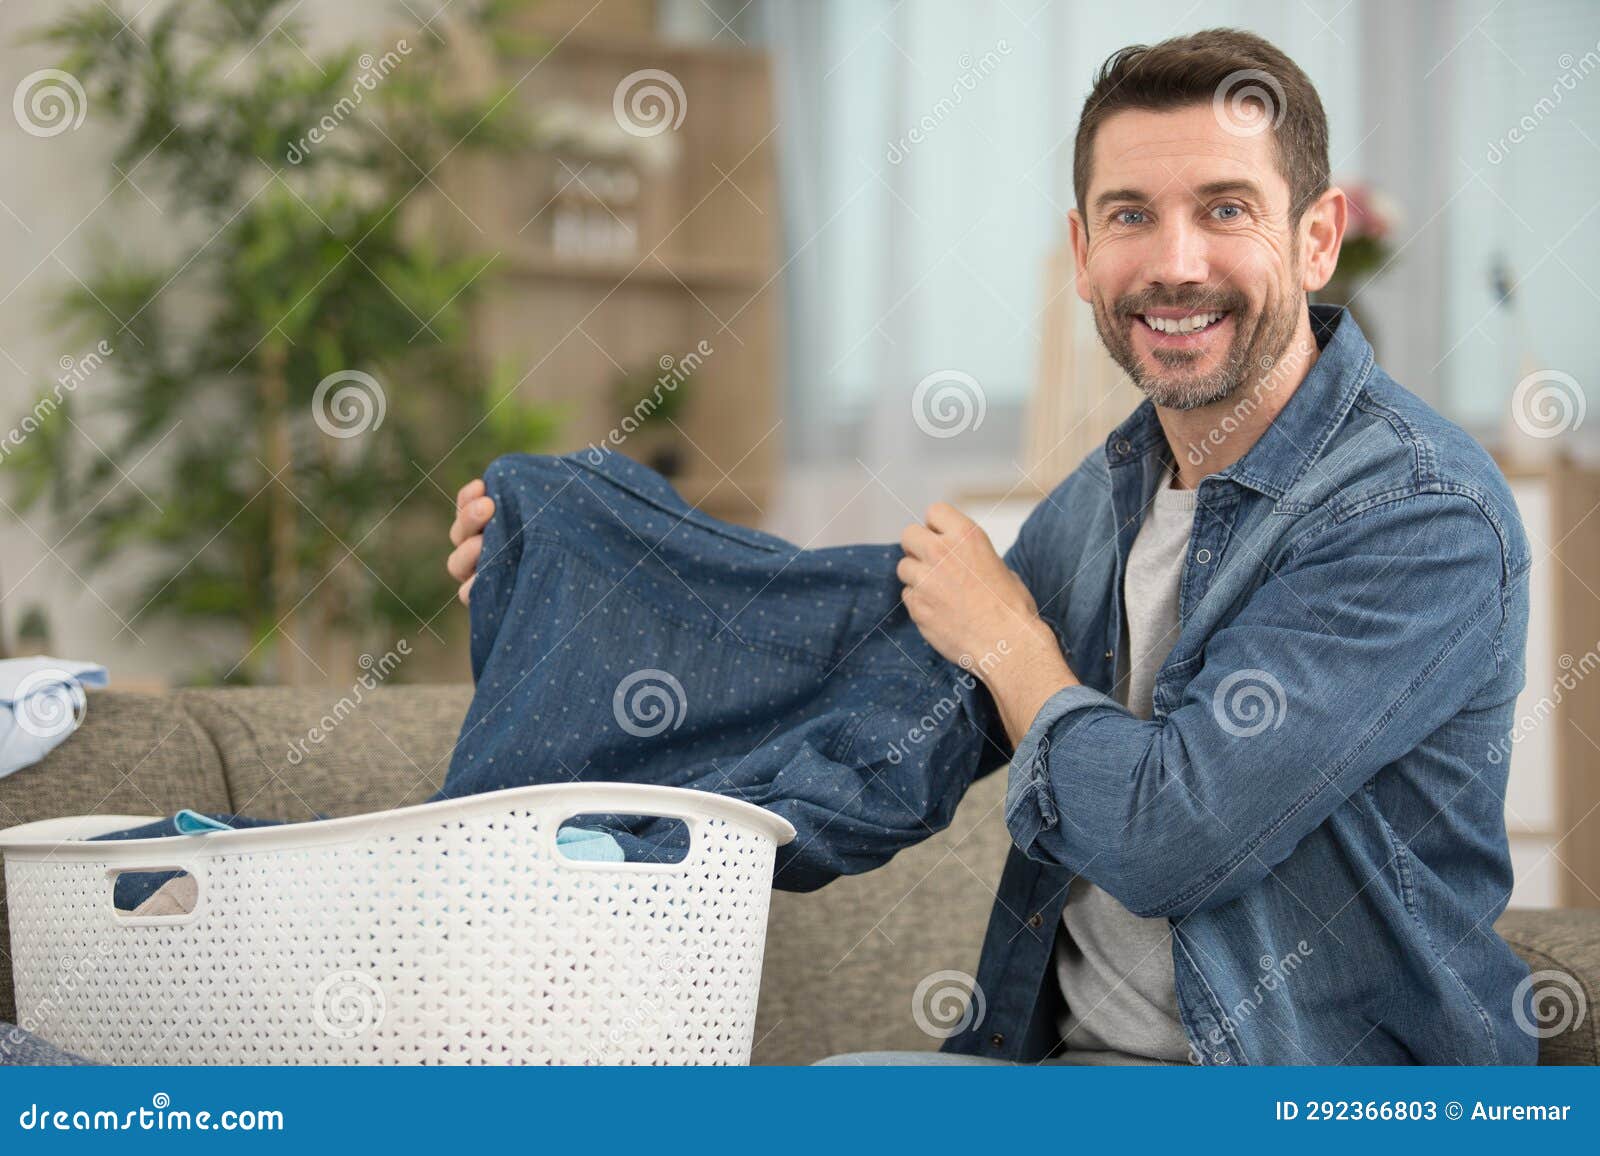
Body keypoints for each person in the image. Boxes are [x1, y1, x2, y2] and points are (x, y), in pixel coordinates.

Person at [448, 28, 1535, 1066]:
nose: (1174, 262)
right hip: (1062, 1070)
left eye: (1224, 209)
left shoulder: (1416, 513)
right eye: (1128, 216)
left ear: (1317, 239)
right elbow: (877, 707)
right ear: (1080, 252)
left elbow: (1170, 835)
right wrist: (575, 586)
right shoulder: (1114, 491)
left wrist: (1012, 641)